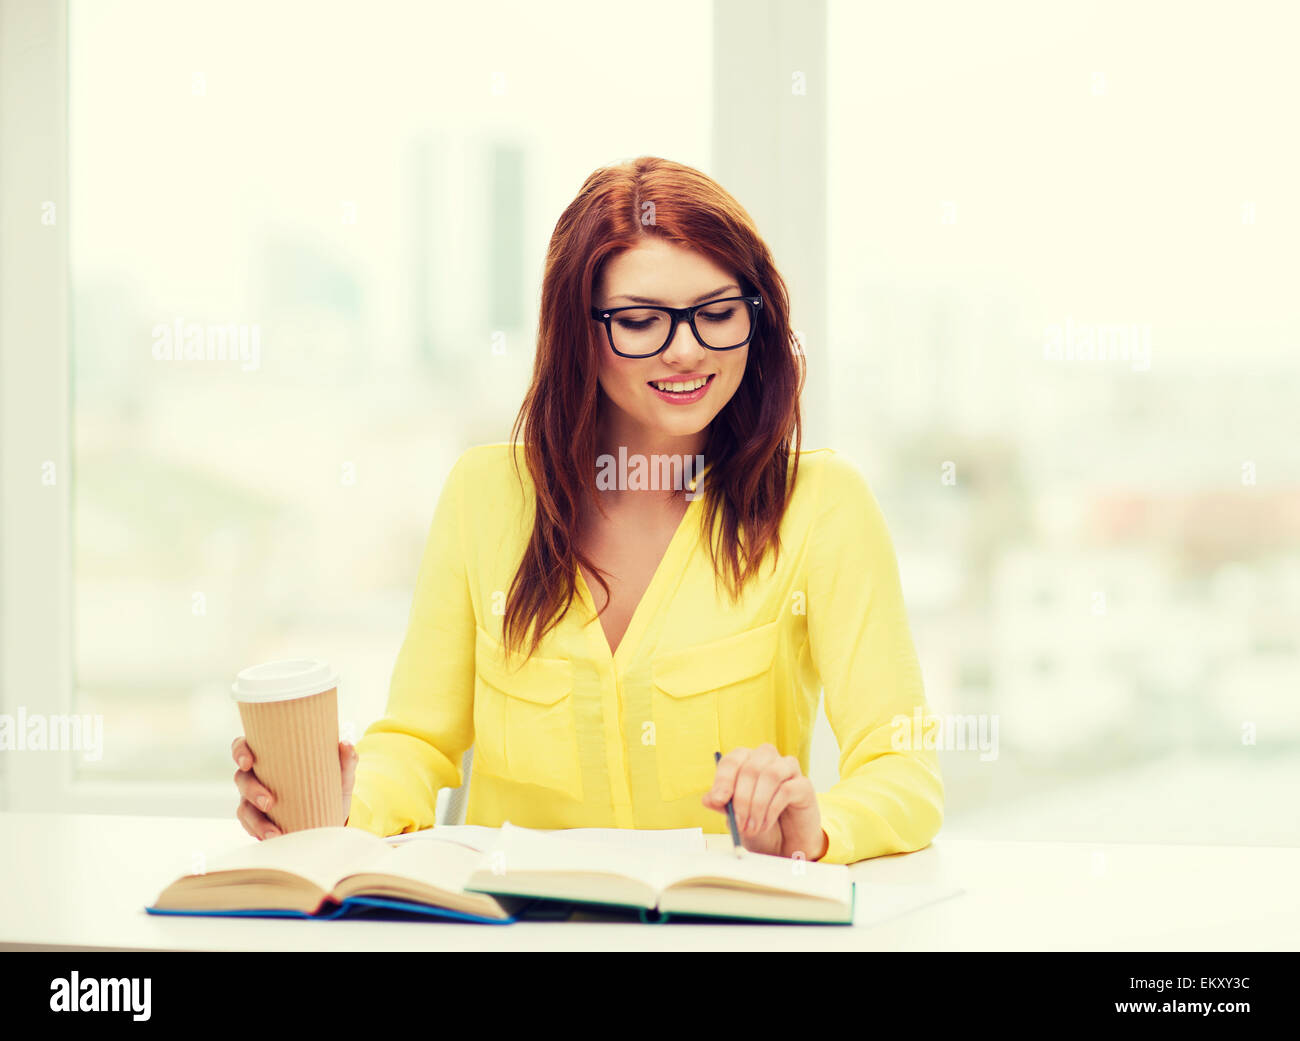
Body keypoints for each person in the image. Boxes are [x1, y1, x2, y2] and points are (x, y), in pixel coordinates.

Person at [233, 156, 943, 863]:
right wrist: (343, 805)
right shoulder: (484, 497)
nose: (687, 350)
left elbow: (903, 769)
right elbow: (418, 743)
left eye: (718, 313)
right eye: (640, 321)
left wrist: (815, 828)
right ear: (579, 330)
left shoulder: (820, 507)